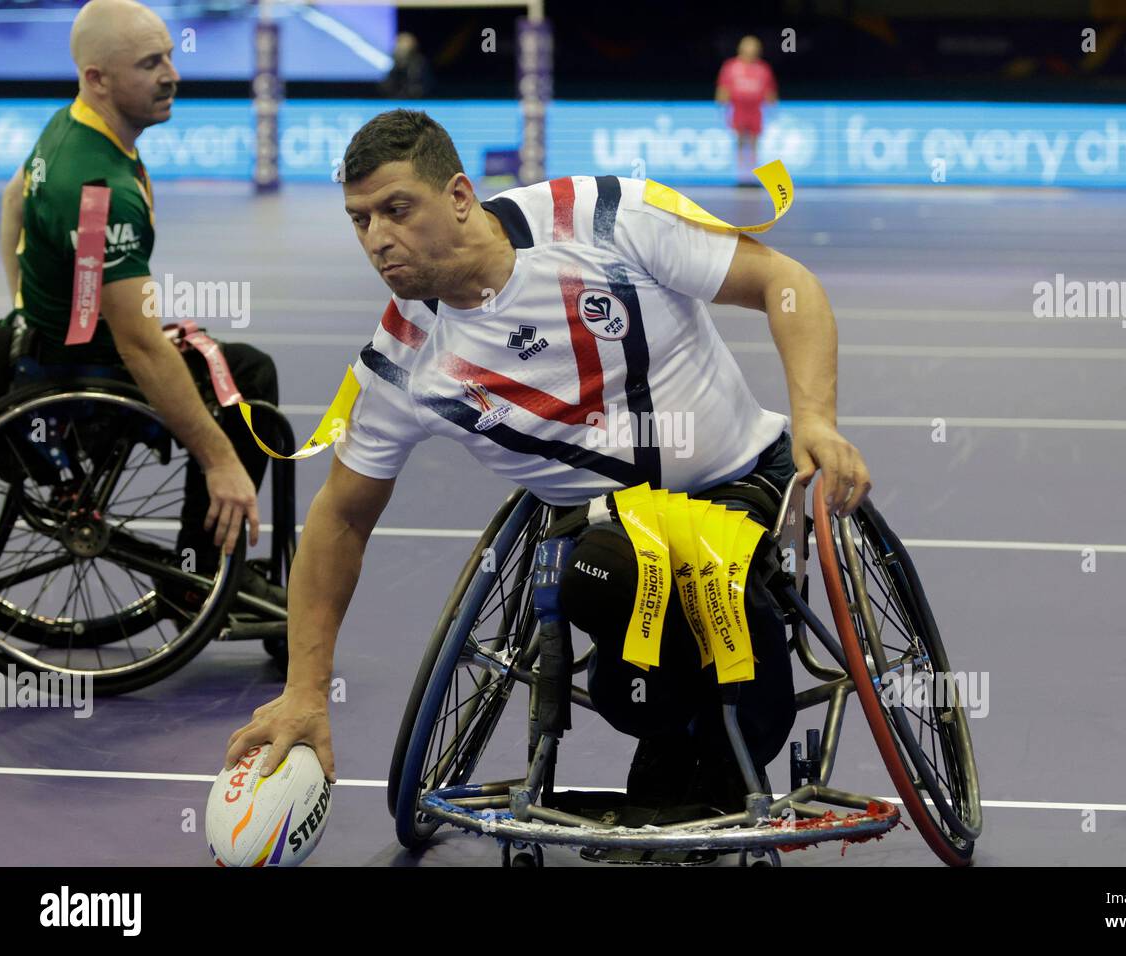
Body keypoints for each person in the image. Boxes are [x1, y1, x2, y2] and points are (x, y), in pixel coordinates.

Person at [223, 109, 871, 810]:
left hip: (742, 483)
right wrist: (304, 691)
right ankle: (672, 724)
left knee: (730, 666)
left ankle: (720, 736)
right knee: (611, 597)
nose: (378, 239)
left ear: (461, 197)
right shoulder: (402, 363)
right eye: (360, 220)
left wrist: (817, 420)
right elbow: (340, 520)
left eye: (396, 209)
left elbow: (785, 284)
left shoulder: (602, 219)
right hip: (607, 533)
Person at [0, 0, 282, 608]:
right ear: (97, 78)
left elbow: (14, 198)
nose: (172, 74)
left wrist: (27, 302)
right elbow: (141, 346)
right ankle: (196, 576)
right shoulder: (100, 191)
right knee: (250, 376)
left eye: (170, 57)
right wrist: (221, 459)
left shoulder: (68, 125)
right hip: (81, 366)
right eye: (150, 64)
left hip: (42, 338)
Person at [716, 35, 778, 186]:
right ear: (741, 48)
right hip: (738, 110)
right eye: (748, 46)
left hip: (756, 111)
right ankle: (740, 177)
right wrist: (722, 106)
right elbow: (722, 90)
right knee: (739, 142)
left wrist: (772, 107)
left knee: (754, 144)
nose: (751, 50)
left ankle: (753, 177)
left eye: (754, 47)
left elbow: (770, 93)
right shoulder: (730, 67)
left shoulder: (763, 69)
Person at [379, 32, 432, 100]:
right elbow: (385, 87)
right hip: (391, 101)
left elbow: (422, 88)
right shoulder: (390, 64)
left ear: (412, 48)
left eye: (403, 46)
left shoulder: (419, 64)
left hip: (417, 102)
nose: (399, 49)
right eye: (398, 45)